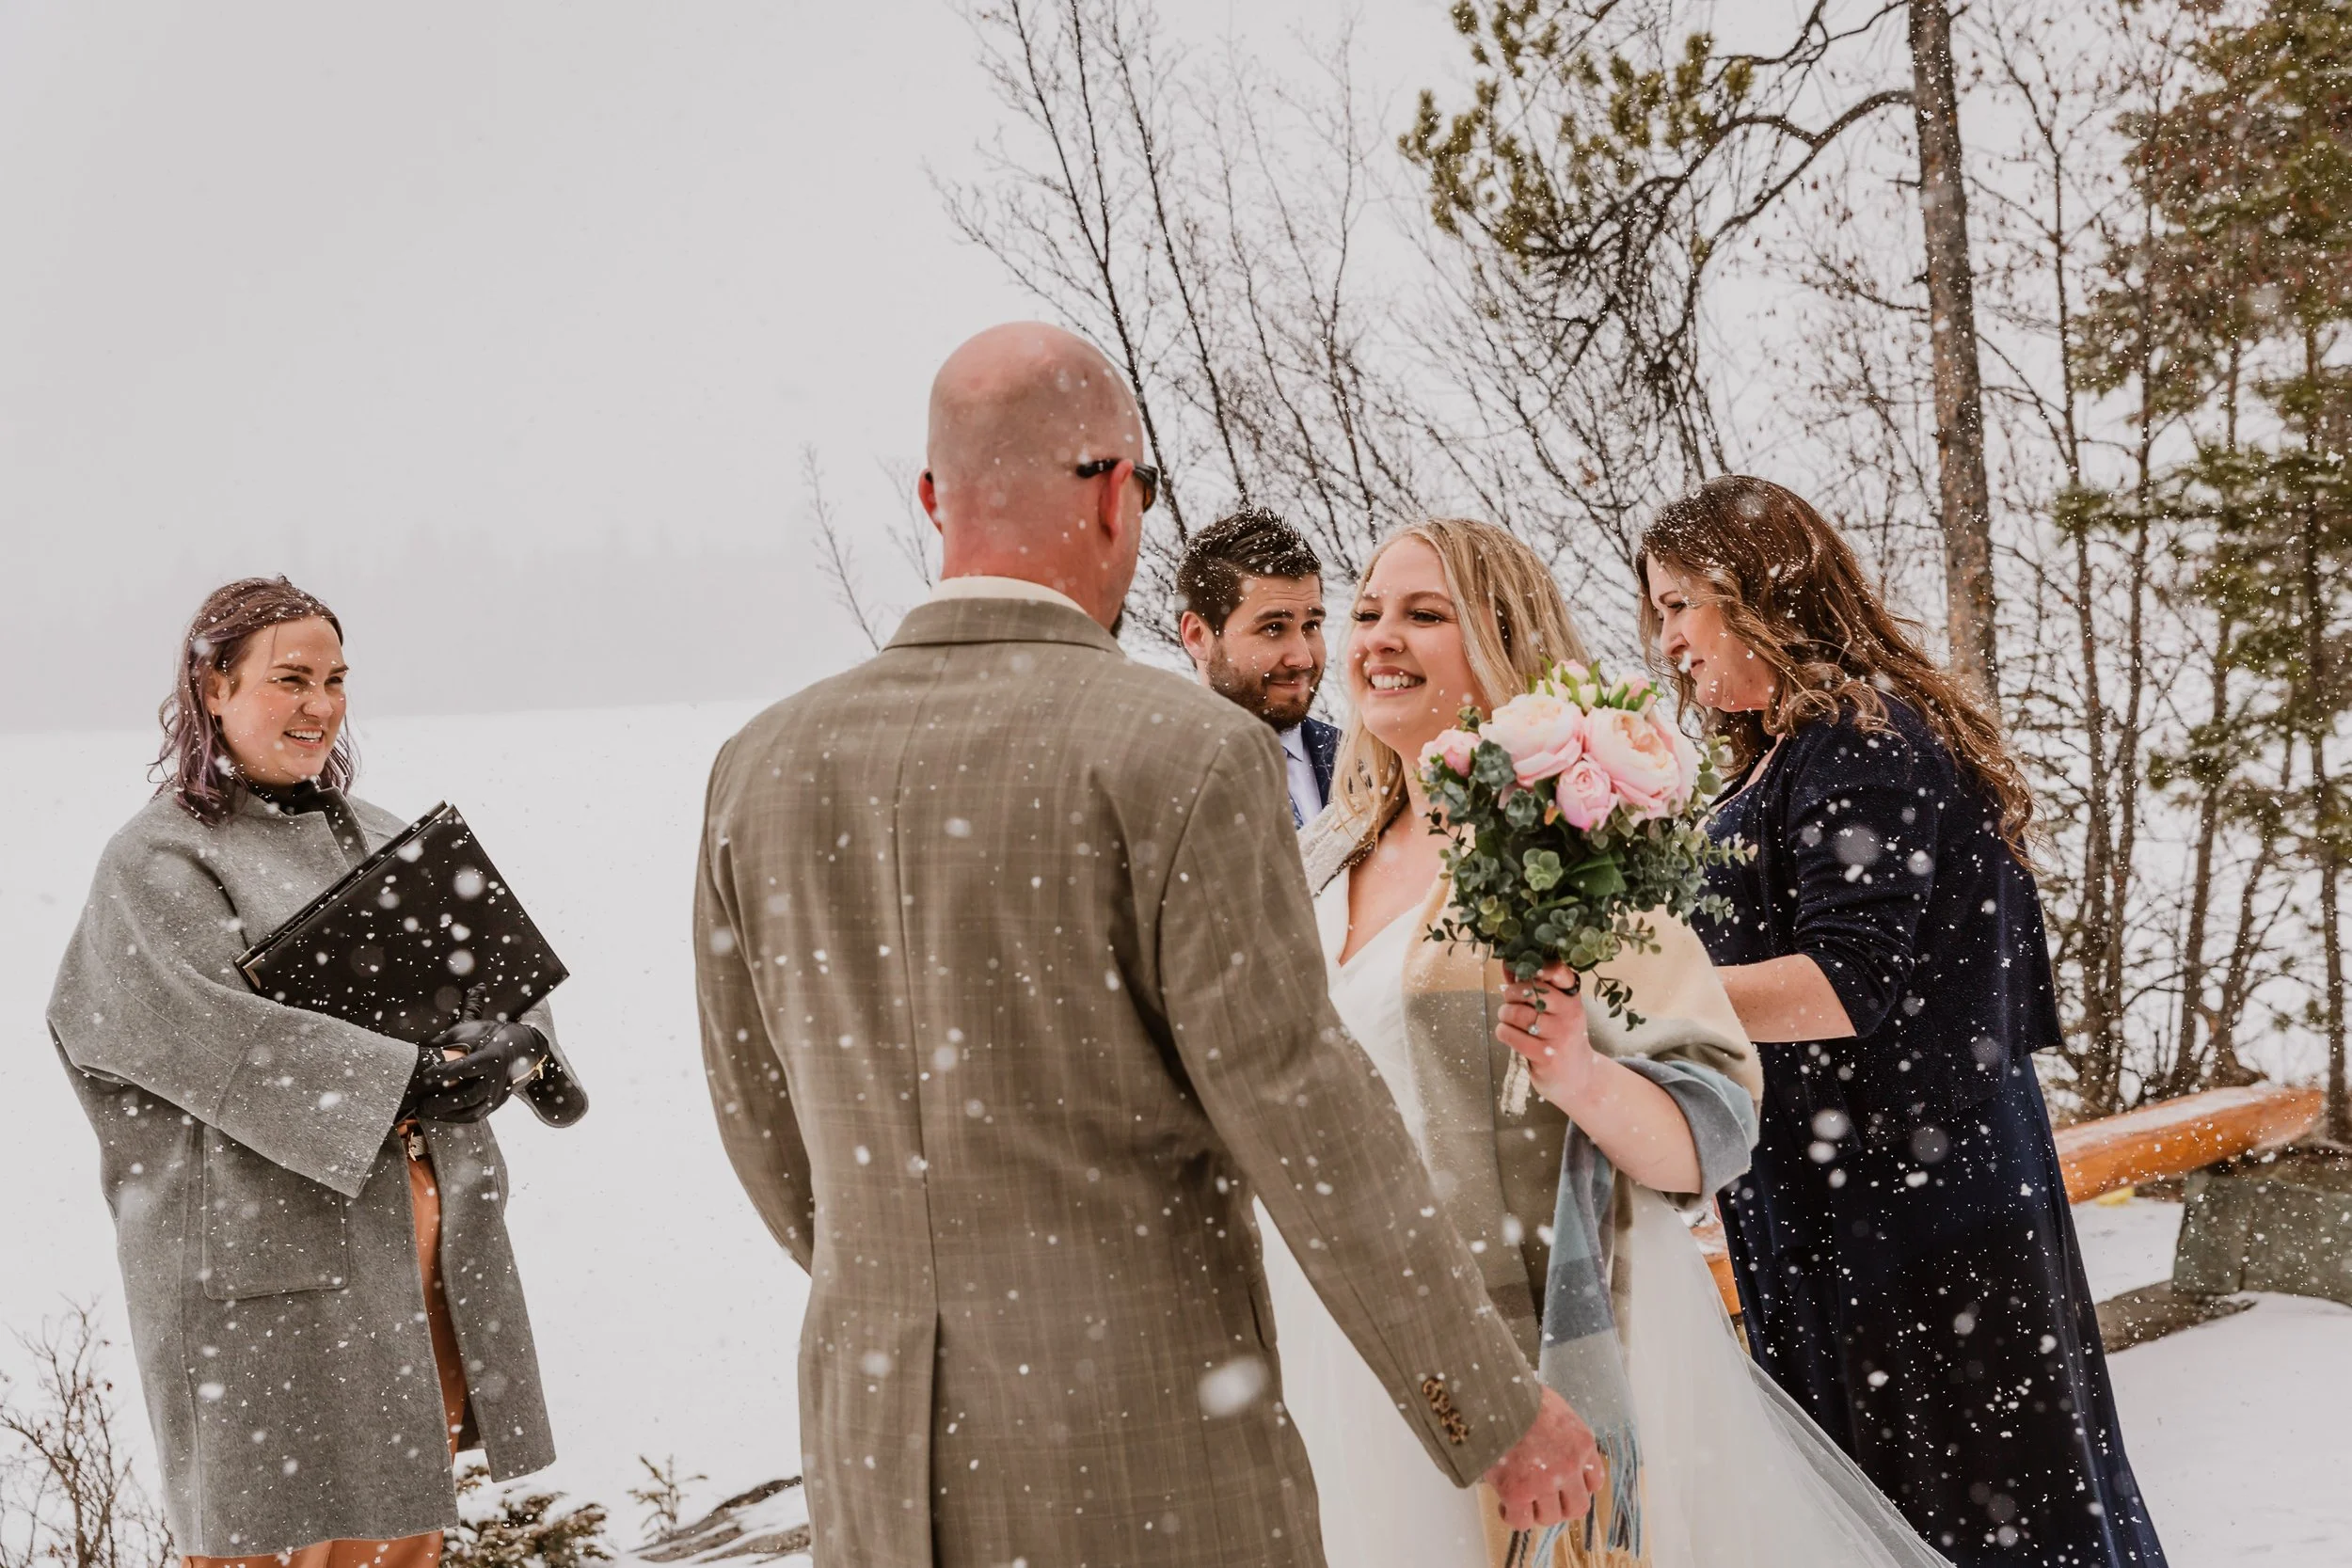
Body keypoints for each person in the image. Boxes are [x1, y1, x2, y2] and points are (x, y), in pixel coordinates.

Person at [691, 322, 1603, 1568]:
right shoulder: (1181, 752)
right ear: (1117, 492)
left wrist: (922, 1283)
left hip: (871, 1443)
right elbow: (1299, 1103)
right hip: (1145, 1446)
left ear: (929, 496)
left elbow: (763, 1122)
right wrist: (1484, 1403)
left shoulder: (763, 764)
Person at [1286, 516, 1953, 1568]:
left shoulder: (1569, 836)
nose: (1377, 638)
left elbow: (1711, 1122)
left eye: (1423, 613)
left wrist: (1580, 1073)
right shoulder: (1323, 849)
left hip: (1529, 1331)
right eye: (1365, 612)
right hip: (1343, 1333)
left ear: (1499, 638)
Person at [1641, 476, 2169, 1568]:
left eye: (1679, 601)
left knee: (1970, 1511)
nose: (1667, 639)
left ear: (1756, 591)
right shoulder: (1794, 751)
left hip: (1916, 1213)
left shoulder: (1857, 738)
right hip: (1854, 1202)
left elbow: (1848, 980)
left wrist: (1645, 987)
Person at [47, 578, 569, 1568]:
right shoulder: (155, 861)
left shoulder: (378, 833)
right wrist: (404, 1077)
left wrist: (519, 1042)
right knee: (270, 1537)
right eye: (290, 678)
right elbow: (213, 1036)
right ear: (212, 685)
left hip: (416, 1247)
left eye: (334, 678)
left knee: (404, 1523)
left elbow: (496, 968)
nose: (321, 704)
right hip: (262, 1267)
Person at [1176, 507, 1338, 827]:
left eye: (1311, 626)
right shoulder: (1155, 775)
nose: (1303, 659)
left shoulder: (1368, 764)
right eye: (1274, 628)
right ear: (1197, 636)